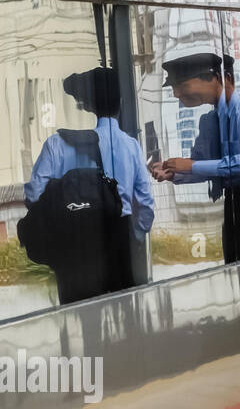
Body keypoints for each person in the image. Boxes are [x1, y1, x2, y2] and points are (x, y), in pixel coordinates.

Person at [25, 67, 155, 302]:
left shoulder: (56, 143)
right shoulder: (130, 145)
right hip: (120, 239)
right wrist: (133, 236)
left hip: (73, 239)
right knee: (123, 313)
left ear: (86, 104)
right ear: (121, 102)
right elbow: (145, 205)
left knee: (78, 317)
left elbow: (34, 195)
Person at [150, 52, 240, 263]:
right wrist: (175, 172)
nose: (176, 94)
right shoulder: (210, 120)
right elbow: (204, 167)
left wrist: (190, 166)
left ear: (217, 78)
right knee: (236, 272)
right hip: (230, 203)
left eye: (183, 84)